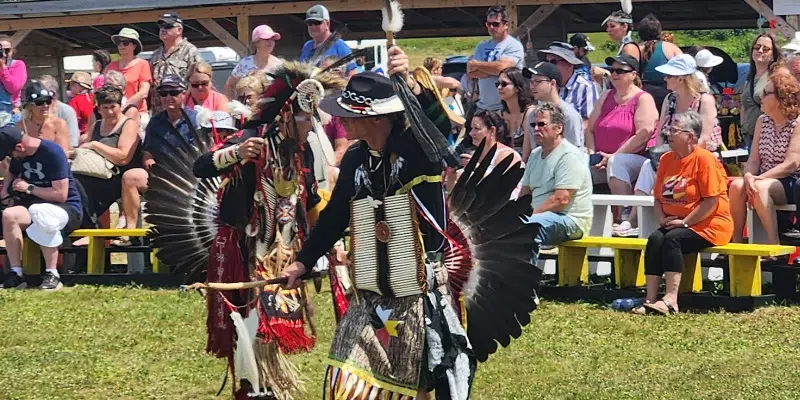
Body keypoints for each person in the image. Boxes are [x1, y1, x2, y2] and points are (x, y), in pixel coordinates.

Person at [281, 47, 476, 399]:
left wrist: (410, 88)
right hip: (369, 294)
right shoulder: (356, 158)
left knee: (416, 386)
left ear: (374, 118)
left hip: (415, 295)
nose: (342, 121)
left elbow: (439, 131)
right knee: (346, 381)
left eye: (349, 115)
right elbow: (336, 215)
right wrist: (302, 260)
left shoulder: (419, 152)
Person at [143, 61, 345, 399]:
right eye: (304, 117)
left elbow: (307, 199)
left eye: (312, 118)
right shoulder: (250, 139)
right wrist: (235, 153)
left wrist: (320, 248)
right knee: (250, 318)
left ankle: (267, 383)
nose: (310, 125)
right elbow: (201, 166)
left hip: (282, 247)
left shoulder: (300, 151)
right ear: (285, 115)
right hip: (242, 246)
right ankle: (252, 386)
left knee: (273, 320)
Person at [632, 111, 732, 315]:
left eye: (675, 131)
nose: (669, 134)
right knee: (655, 239)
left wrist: (685, 222)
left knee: (673, 240)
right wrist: (662, 218)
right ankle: (650, 299)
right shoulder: (667, 159)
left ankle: (671, 299)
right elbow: (658, 196)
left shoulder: (705, 160)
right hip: (675, 222)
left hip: (709, 224)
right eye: (669, 129)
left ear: (691, 137)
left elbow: (711, 202)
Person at [117, 74, 197, 246]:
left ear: (184, 93)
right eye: (163, 93)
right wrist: (154, 170)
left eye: (173, 92)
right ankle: (131, 232)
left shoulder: (196, 120)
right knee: (130, 177)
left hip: (189, 179)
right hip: (159, 176)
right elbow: (148, 153)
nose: (168, 97)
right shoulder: (155, 122)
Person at [0, 125, 83, 291]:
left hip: (66, 209)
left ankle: (53, 274)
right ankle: (16, 273)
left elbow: (60, 195)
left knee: (41, 213)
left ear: (19, 147)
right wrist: (5, 193)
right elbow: (11, 177)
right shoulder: (19, 157)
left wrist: (28, 188)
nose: (11, 158)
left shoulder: (52, 152)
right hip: (34, 206)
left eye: (10, 154)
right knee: (10, 215)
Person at [585, 55, 658, 234]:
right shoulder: (606, 96)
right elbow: (589, 130)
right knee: (577, 164)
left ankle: (626, 216)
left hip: (636, 160)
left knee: (617, 163)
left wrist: (614, 155)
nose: (614, 74)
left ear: (633, 74)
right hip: (602, 157)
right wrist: (592, 154)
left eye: (620, 71)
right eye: (611, 71)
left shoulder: (643, 98)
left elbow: (644, 134)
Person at [519, 102, 593, 270]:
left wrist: (526, 216)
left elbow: (561, 199)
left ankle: (524, 289)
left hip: (570, 219)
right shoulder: (535, 154)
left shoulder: (569, 155)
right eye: (533, 124)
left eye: (541, 124)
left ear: (558, 128)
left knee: (526, 228)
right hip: (542, 217)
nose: (536, 128)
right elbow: (525, 193)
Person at [730, 72, 800, 246]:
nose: (760, 96)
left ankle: (773, 245)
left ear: (781, 98)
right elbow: (753, 160)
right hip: (761, 177)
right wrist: (748, 176)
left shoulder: (797, 122)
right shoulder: (763, 121)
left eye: (766, 93)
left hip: (788, 181)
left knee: (760, 187)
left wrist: (757, 178)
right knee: (736, 185)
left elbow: (791, 164)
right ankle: (736, 243)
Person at [72, 85, 141, 232]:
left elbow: (123, 157)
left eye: (113, 107)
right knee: (70, 180)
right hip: (96, 173)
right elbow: (84, 150)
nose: (109, 112)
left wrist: (96, 145)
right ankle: (79, 227)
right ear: (99, 108)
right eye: (105, 108)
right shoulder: (96, 125)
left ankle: (90, 226)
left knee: (79, 185)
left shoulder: (129, 124)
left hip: (118, 177)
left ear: (120, 105)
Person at [468, 6, 525, 113]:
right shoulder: (481, 46)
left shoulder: (513, 45)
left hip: (506, 108)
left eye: (496, 24)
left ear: (506, 25)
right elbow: (471, 72)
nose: (492, 27)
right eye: (488, 24)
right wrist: (494, 70)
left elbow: (501, 69)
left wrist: (478, 64)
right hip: (483, 107)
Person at [522, 61, 583, 159]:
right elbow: (534, 151)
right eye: (531, 82)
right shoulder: (533, 115)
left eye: (537, 82)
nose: (532, 86)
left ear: (552, 83)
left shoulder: (569, 115)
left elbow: (574, 154)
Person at [741, 33, 789, 149]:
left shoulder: (777, 76)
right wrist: (743, 128)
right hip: (750, 135)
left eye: (766, 49)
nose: (760, 50)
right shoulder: (750, 77)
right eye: (757, 47)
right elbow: (744, 106)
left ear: (773, 55)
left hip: (770, 136)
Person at [149, 12, 202, 115]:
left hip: (182, 110)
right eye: (161, 26)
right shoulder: (155, 55)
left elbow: (198, 79)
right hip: (159, 113)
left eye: (168, 26)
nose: (163, 29)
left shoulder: (190, 51)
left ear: (179, 29)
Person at [538, 42, 598, 131]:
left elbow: (591, 122)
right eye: (547, 62)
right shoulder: (544, 85)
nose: (549, 66)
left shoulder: (585, 87)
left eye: (553, 62)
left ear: (569, 64)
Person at [631, 14, 683, 111]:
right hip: (666, 93)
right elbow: (684, 70)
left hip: (641, 92)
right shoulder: (671, 47)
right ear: (659, 31)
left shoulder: (634, 48)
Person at [224, 24, 283, 99]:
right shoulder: (244, 63)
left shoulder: (279, 65)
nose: (270, 42)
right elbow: (229, 86)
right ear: (256, 42)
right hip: (246, 108)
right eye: (266, 39)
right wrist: (231, 105)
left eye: (272, 39)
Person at [108, 28, 152, 126]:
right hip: (113, 115)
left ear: (134, 45)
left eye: (126, 42)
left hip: (138, 114)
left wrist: (124, 106)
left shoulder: (142, 64)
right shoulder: (111, 66)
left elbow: (144, 92)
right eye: (119, 42)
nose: (121, 45)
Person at [300, 4, 356, 76]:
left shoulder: (340, 45)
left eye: (317, 23)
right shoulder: (307, 46)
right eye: (310, 23)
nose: (313, 26)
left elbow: (352, 74)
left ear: (327, 24)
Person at [16, 81, 70, 153]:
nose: (45, 106)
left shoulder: (58, 124)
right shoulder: (21, 126)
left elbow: (64, 153)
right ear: (30, 106)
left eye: (48, 101)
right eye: (40, 102)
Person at [497, 67, 533, 153]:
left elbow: (527, 153)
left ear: (517, 87)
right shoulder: (499, 115)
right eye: (497, 84)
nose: (499, 87)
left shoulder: (530, 113)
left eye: (504, 84)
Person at [38, 75, 80, 149]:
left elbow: (73, 142)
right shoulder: (30, 109)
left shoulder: (66, 111)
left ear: (53, 94)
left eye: (41, 92)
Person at [0, 35, 27, 125]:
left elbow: (13, 88)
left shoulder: (18, 65)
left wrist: (2, 68)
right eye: (1, 50)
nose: (4, 54)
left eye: (7, 50)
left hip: (11, 115)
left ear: (12, 50)